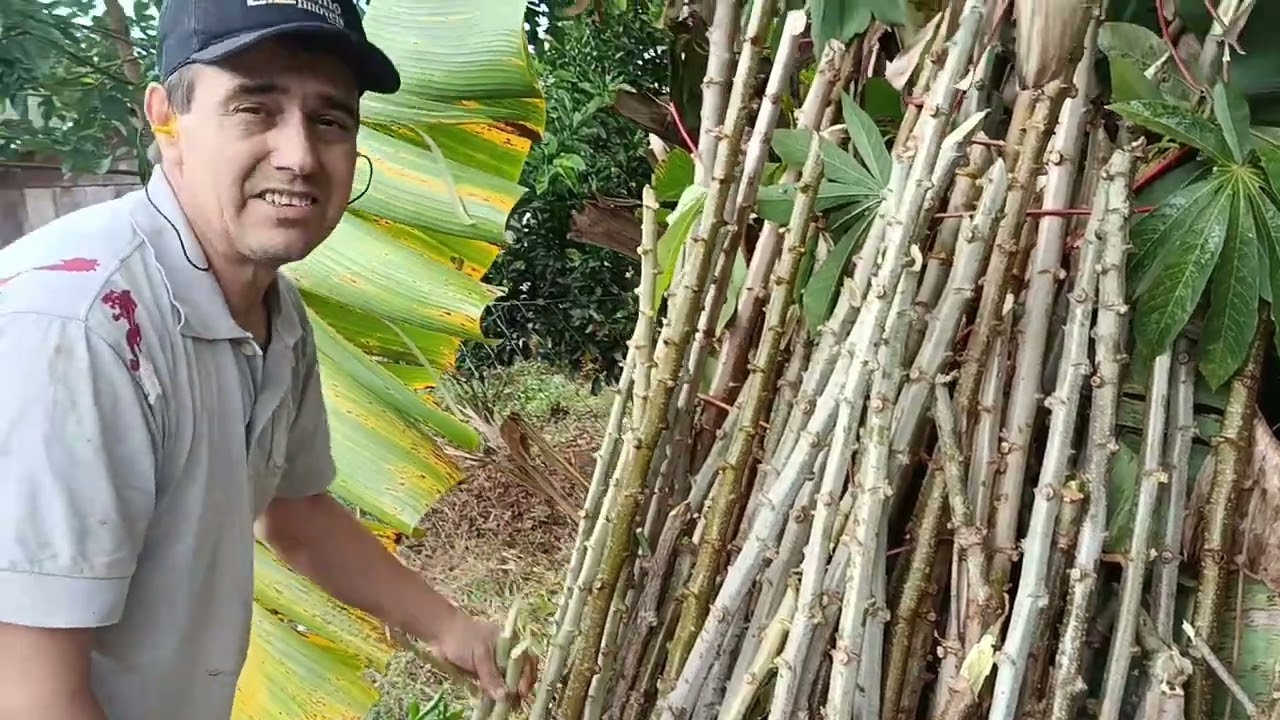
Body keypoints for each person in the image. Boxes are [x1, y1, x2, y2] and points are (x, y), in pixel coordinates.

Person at [0, 0, 536, 717]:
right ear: (166, 118)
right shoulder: (82, 327)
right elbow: (31, 694)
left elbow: (294, 511)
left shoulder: (273, 313)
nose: (301, 155)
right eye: (255, 108)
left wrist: (452, 629)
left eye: (330, 119)